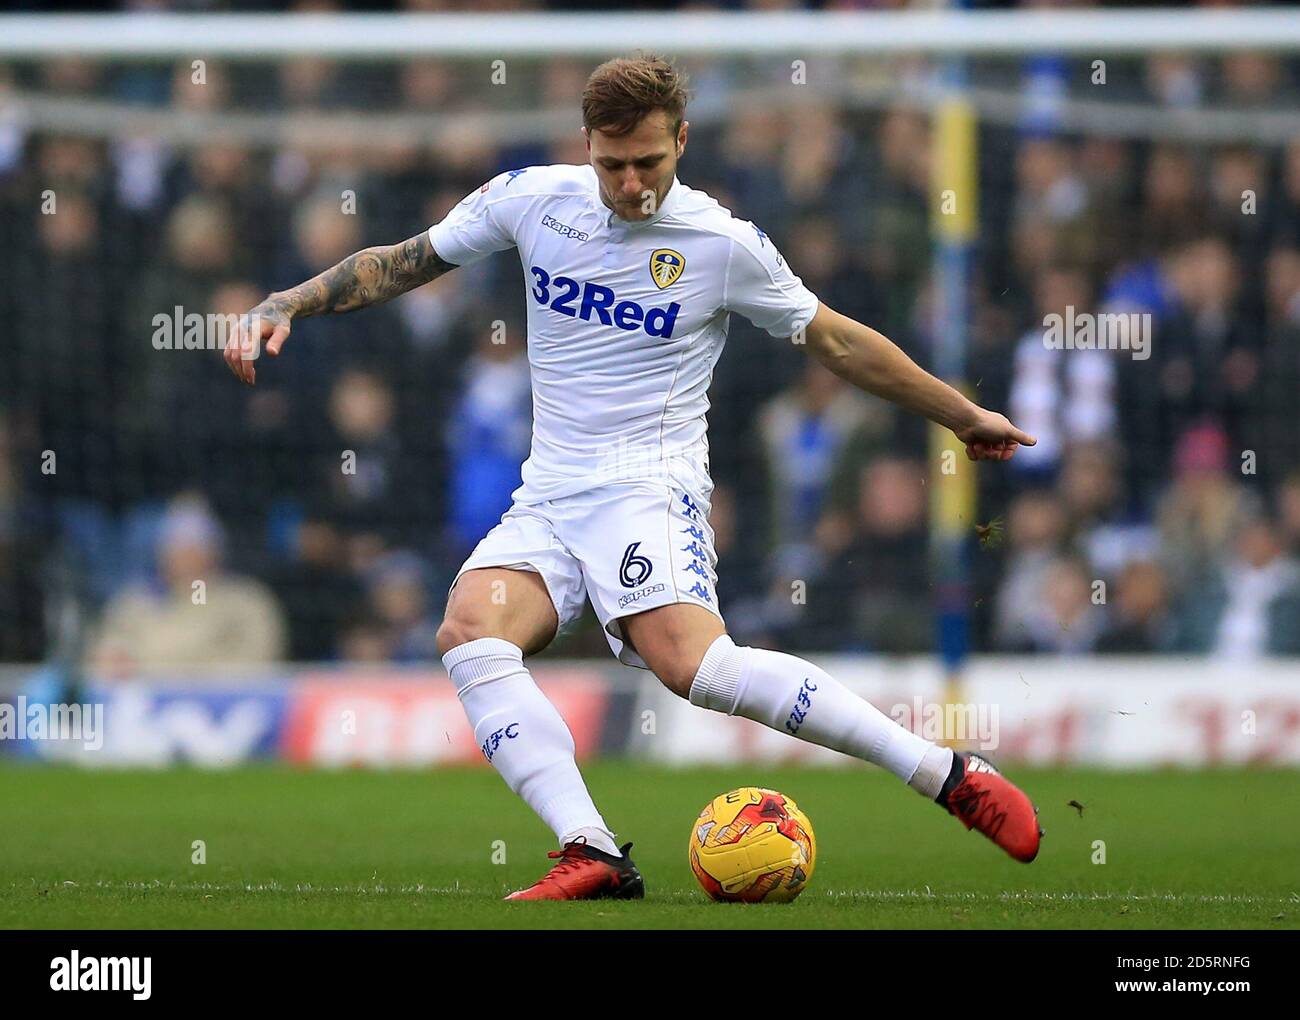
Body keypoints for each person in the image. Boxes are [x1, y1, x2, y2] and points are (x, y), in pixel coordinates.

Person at [224, 55, 1043, 901]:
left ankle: (948, 776)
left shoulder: (721, 244)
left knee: (700, 672)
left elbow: (835, 340)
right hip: (549, 493)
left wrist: (961, 414)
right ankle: (594, 851)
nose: (631, 182)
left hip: (647, 491)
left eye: (648, 162)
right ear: (587, 146)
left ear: (681, 141)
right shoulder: (533, 199)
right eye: (612, 163)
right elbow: (404, 260)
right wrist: (287, 301)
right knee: (470, 631)